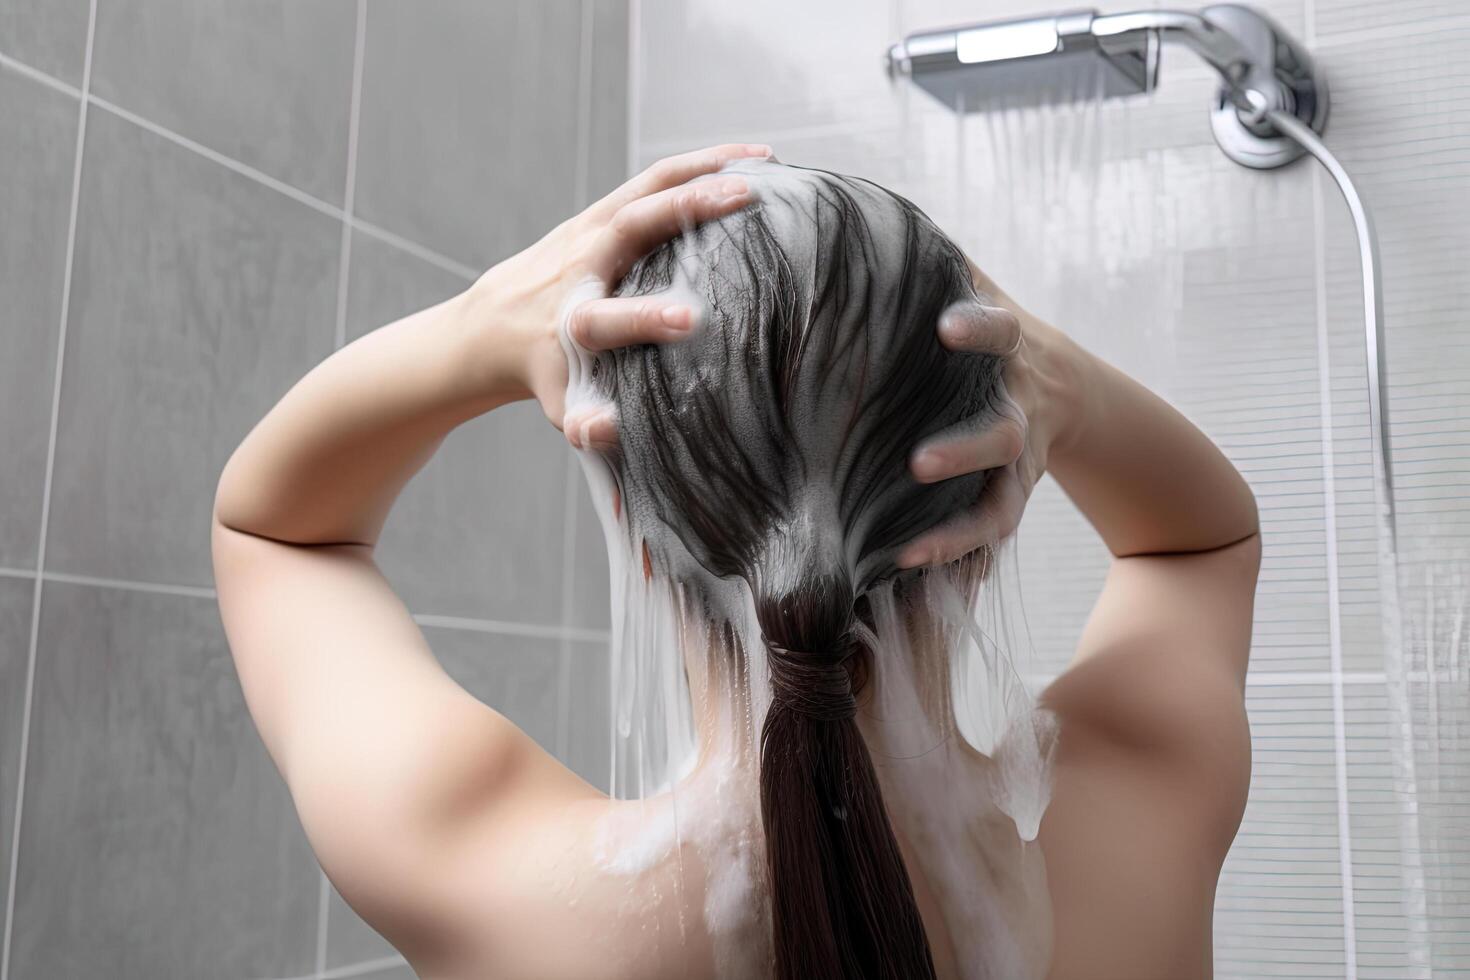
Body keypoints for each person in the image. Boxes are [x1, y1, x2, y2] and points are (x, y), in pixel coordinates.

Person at [213, 145, 1259, 980]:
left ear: (641, 540)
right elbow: (1201, 539)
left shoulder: (494, 879)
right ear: (989, 521)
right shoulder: (1138, 819)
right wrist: (1058, 376)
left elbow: (274, 530)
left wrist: (479, 328)